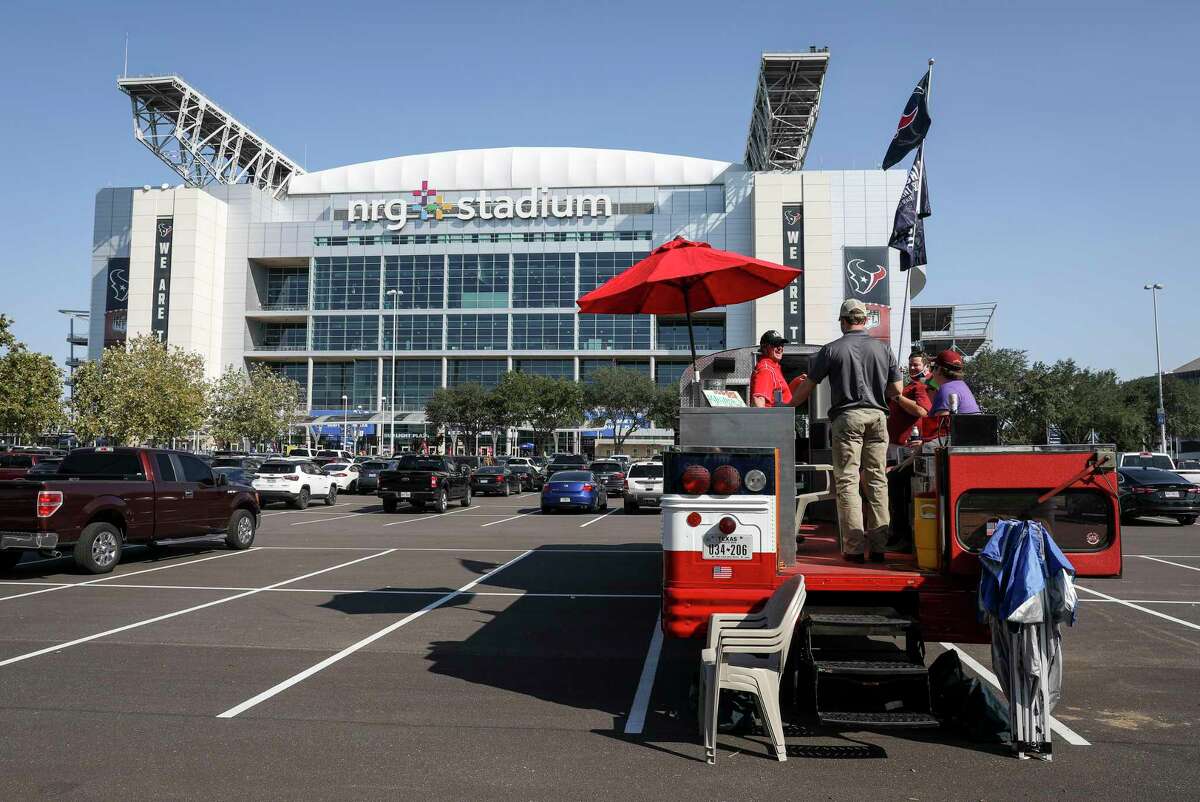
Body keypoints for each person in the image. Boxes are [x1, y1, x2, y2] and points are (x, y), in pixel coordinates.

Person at [791, 300, 927, 563]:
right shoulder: (884, 349)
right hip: (878, 418)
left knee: (848, 482)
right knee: (877, 481)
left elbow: (808, 386)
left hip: (847, 418)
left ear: (843, 321)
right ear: (865, 321)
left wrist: (787, 406)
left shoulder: (831, 350)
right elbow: (896, 391)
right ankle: (879, 547)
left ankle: (854, 548)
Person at [749, 330, 807, 408]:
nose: (780, 348)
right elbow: (758, 399)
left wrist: (795, 383)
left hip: (781, 414)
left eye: (781, 344)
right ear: (765, 348)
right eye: (775, 344)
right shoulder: (766, 369)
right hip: (773, 416)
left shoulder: (773, 367)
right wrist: (762, 416)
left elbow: (778, 399)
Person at [928, 350, 979, 418]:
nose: (931, 371)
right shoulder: (962, 385)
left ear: (939, 369)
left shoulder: (946, 389)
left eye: (933, 367)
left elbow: (942, 423)